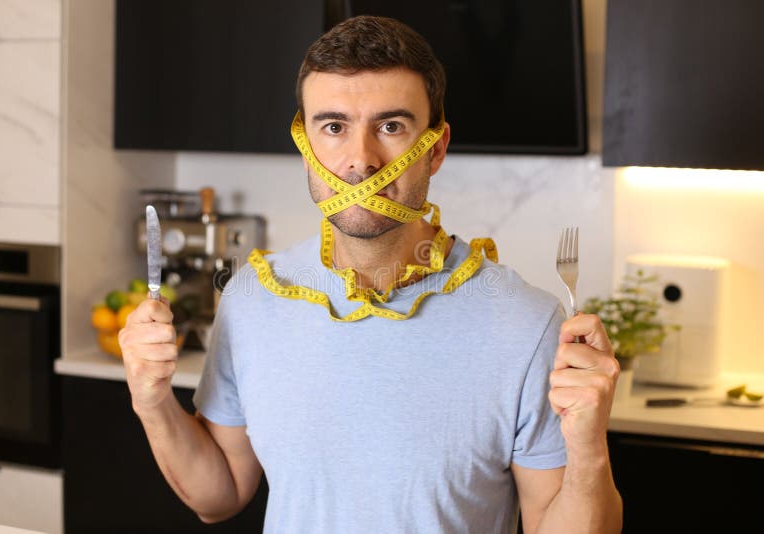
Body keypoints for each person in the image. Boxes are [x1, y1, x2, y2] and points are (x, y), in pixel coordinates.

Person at [119, 15, 622, 533]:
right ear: (306, 147)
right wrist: (151, 401)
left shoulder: (527, 323)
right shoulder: (251, 299)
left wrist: (589, 449)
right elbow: (218, 496)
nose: (360, 161)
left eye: (391, 126)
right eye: (334, 127)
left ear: (436, 149)